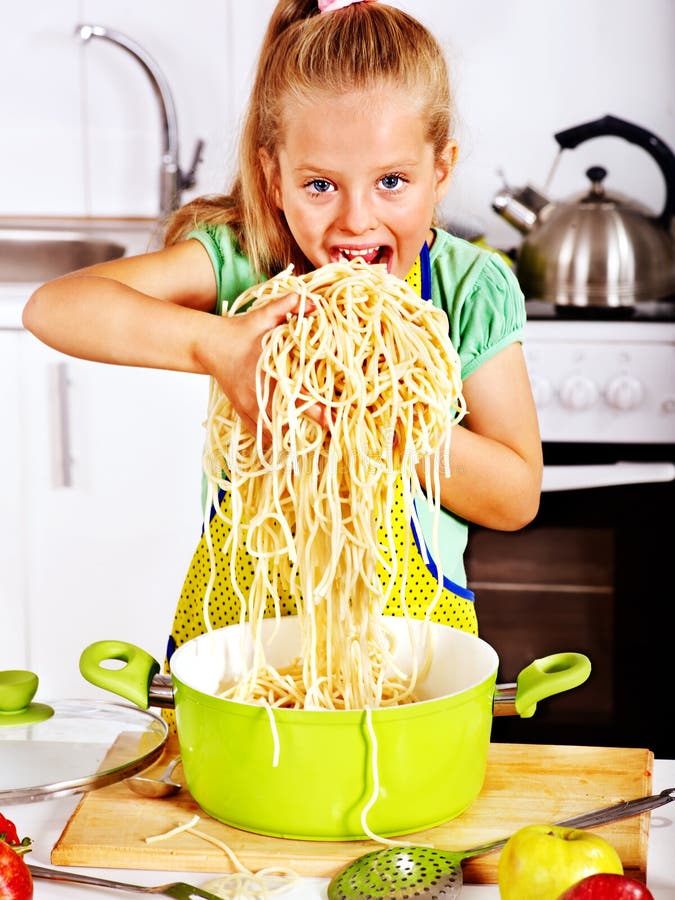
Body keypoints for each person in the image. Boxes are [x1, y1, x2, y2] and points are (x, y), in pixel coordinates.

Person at [22, 0, 543, 667]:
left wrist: (383, 413)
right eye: (320, 185)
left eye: (391, 182)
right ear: (274, 178)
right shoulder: (244, 264)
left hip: (405, 652)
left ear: (439, 170)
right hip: (238, 653)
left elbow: (514, 497)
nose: (357, 221)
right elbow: (54, 308)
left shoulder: (469, 289)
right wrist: (220, 344)